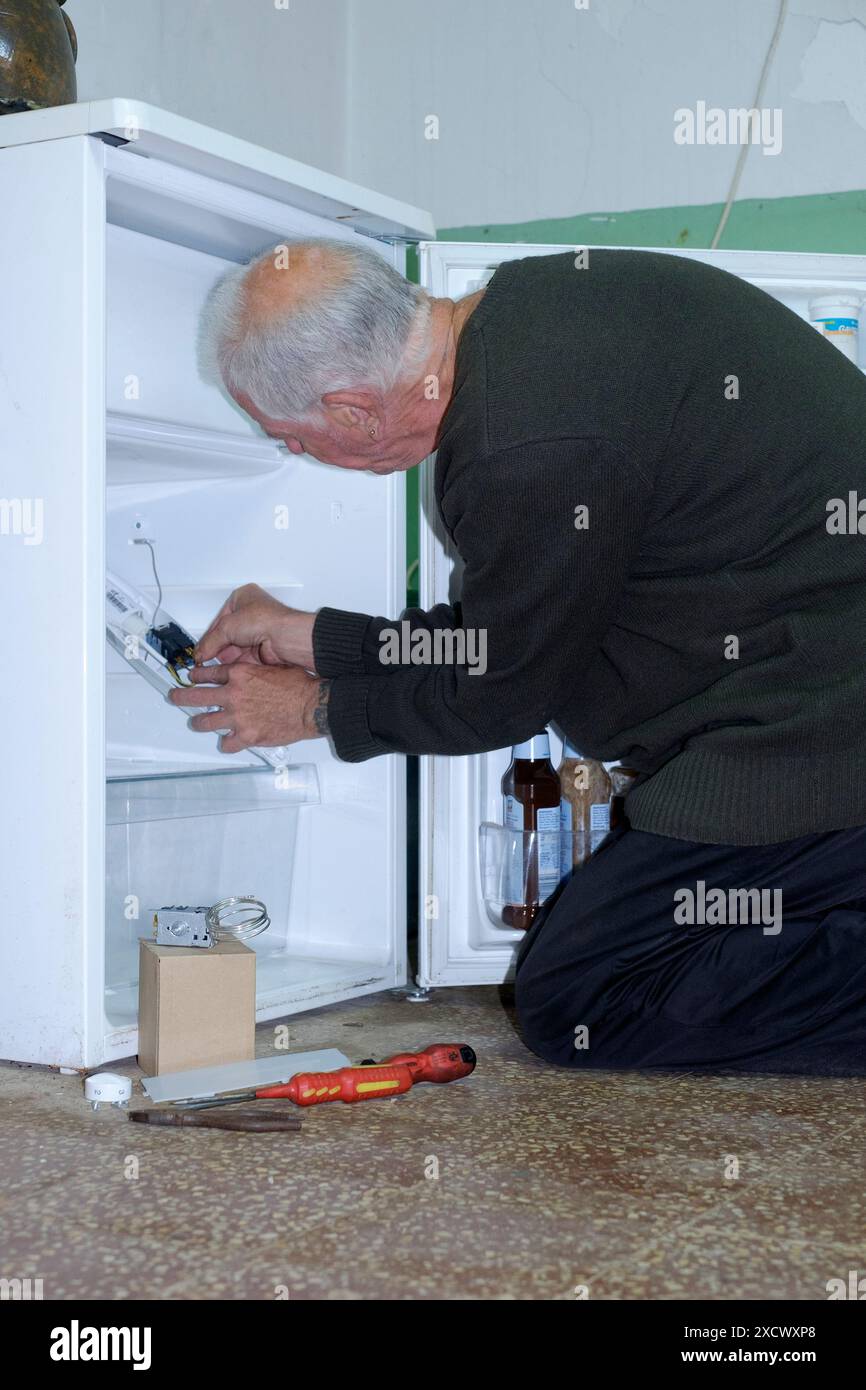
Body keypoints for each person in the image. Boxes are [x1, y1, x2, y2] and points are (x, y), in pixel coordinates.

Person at [173, 237, 866, 1074]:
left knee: (585, 996)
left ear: (353, 407)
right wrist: (322, 637)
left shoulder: (519, 447)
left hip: (815, 729)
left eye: (290, 434)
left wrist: (312, 708)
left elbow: (500, 696)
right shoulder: (536, 308)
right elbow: (522, 631)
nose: (292, 453)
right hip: (812, 686)